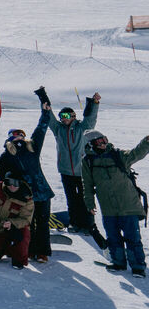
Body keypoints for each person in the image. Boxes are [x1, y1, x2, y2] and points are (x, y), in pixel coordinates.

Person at [82, 130, 149, 277]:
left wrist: (147, 141)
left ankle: (138, 266)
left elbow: (136, 153)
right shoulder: (88, 161)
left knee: (133, 237)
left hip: (128, 205)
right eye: (98, 142)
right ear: (91, 145)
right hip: (108, 207)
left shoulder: (119, 155)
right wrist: (89, 203)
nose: (103, 144)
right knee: (113, 237)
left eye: (104, 140)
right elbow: (86, 184)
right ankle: (118, 263)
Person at [0, 112, 54, 263]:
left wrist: (45, 112)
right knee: (27, 223)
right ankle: (28, 249)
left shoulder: (32, 148)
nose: (20, 137)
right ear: (10, 138)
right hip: (24, 195)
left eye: (22, 134)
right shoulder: (7, 155)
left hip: (42, 192)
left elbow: (41, 129)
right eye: (16, 135)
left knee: (42, 223)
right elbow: (2, 175)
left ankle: (42, 252)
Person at [43, 87, 100, 234]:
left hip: (82, 171)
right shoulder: (58, 129)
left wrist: (94, 103)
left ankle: (88, 225)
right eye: (62, 115)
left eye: (67, 115)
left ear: (73, 116)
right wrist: (43, 97)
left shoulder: (82, 128)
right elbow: (50, 117)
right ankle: (75, 223)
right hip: (65, 170)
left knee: (85, 199)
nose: (64, 118)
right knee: (72, 200)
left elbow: (90, 119)